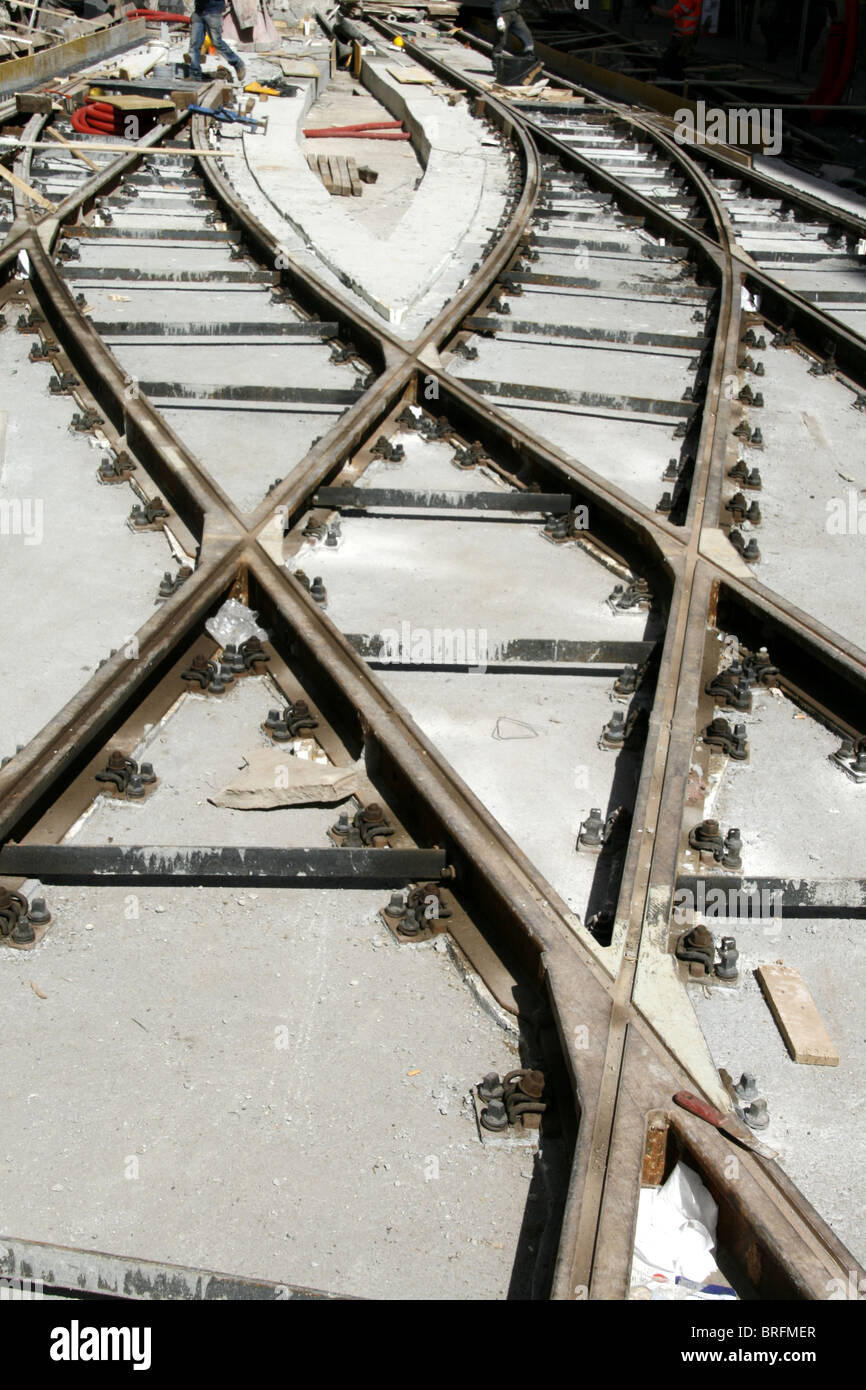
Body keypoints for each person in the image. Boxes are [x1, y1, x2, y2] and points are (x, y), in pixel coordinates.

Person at [189, 0, 247, 84]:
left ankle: (237, 63)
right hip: (199, 12)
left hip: (213, 11)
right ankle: (194, 74)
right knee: (194, 44)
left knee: (217, 42)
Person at [651, 0, 702, 78]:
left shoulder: (687, 1)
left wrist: (657, 11)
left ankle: (665, 83)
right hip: (687, 37)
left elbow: (674, 14)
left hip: (682, 38)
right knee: (678, 63)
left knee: (666, 62)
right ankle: (678, 83)